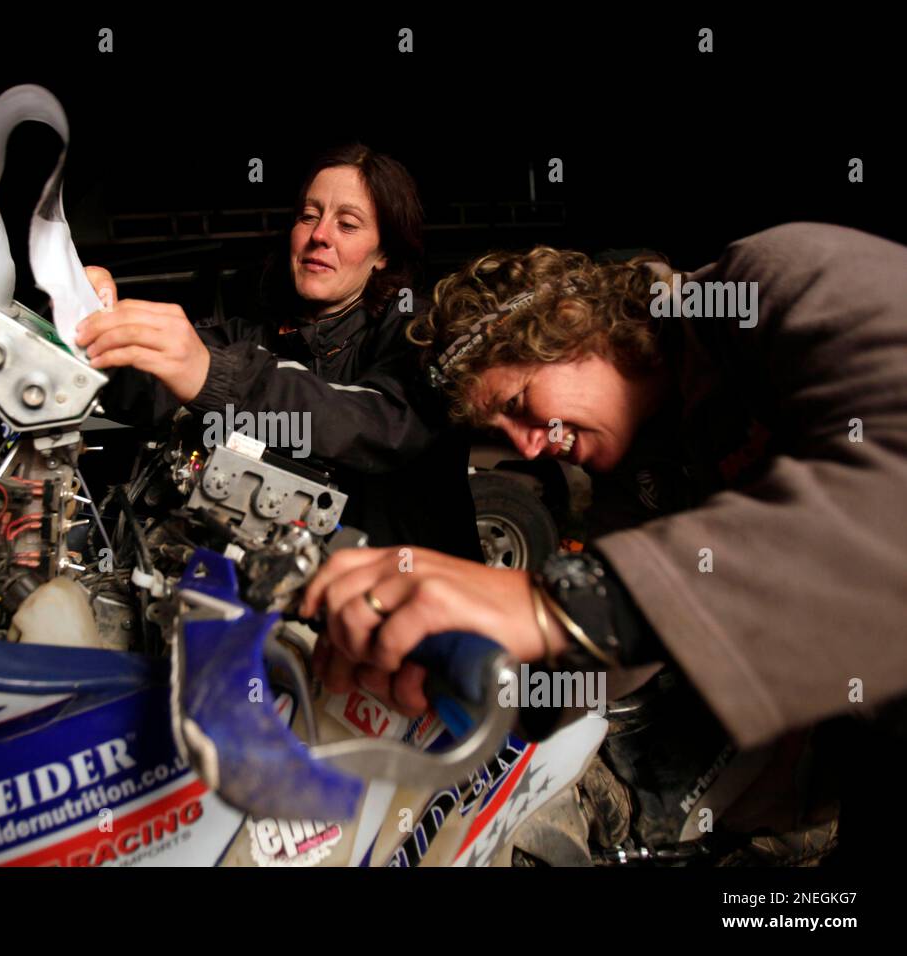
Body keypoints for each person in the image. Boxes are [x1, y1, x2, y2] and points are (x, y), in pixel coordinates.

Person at [301, 223, 907, 759]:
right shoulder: (638, 479)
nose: (530, 448)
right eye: (503, 434)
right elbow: (613, 659)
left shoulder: (769, 284)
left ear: (571, 324)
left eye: (518, 404)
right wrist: (482, 676)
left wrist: (558, 605)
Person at [78, 144, 480, 557]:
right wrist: (88, 316)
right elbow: (144, 388)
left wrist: (215, 376)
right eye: (309, 216)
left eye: (347, 224)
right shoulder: (251, 336)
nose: (319, 235)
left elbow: (381, 425)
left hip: (406, 596)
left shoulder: (420, 331)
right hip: (285, 600)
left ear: (384, 254)